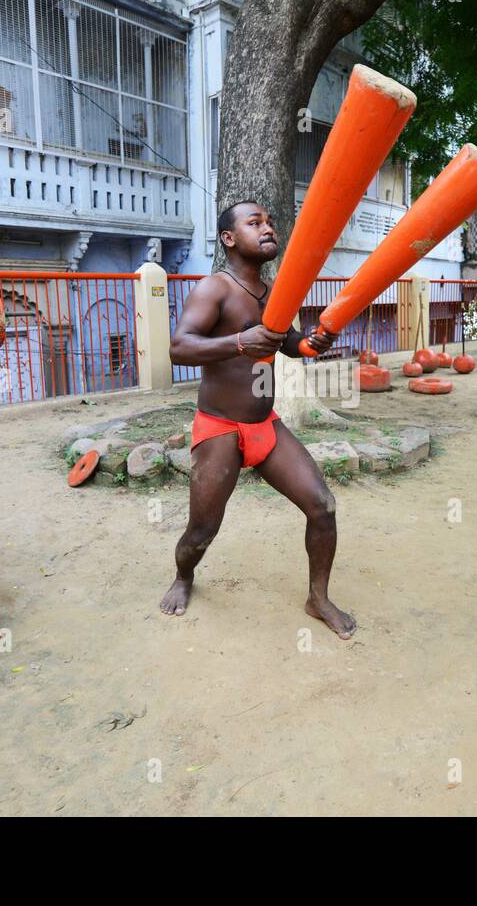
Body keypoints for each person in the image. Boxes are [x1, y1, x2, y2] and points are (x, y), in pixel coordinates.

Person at [162, 200, 356, 639]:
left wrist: (312, 343)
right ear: (229, 238)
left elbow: (286, 343)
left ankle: (318, 598)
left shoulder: (272, 292)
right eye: (255, 223)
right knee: (202, 530)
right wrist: (238, 342)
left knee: (322, 506)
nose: (268, 228)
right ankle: (184, 577)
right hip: (219, 430)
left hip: (265, 426)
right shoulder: (215, 288)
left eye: (270, 221)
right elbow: (179, 348)